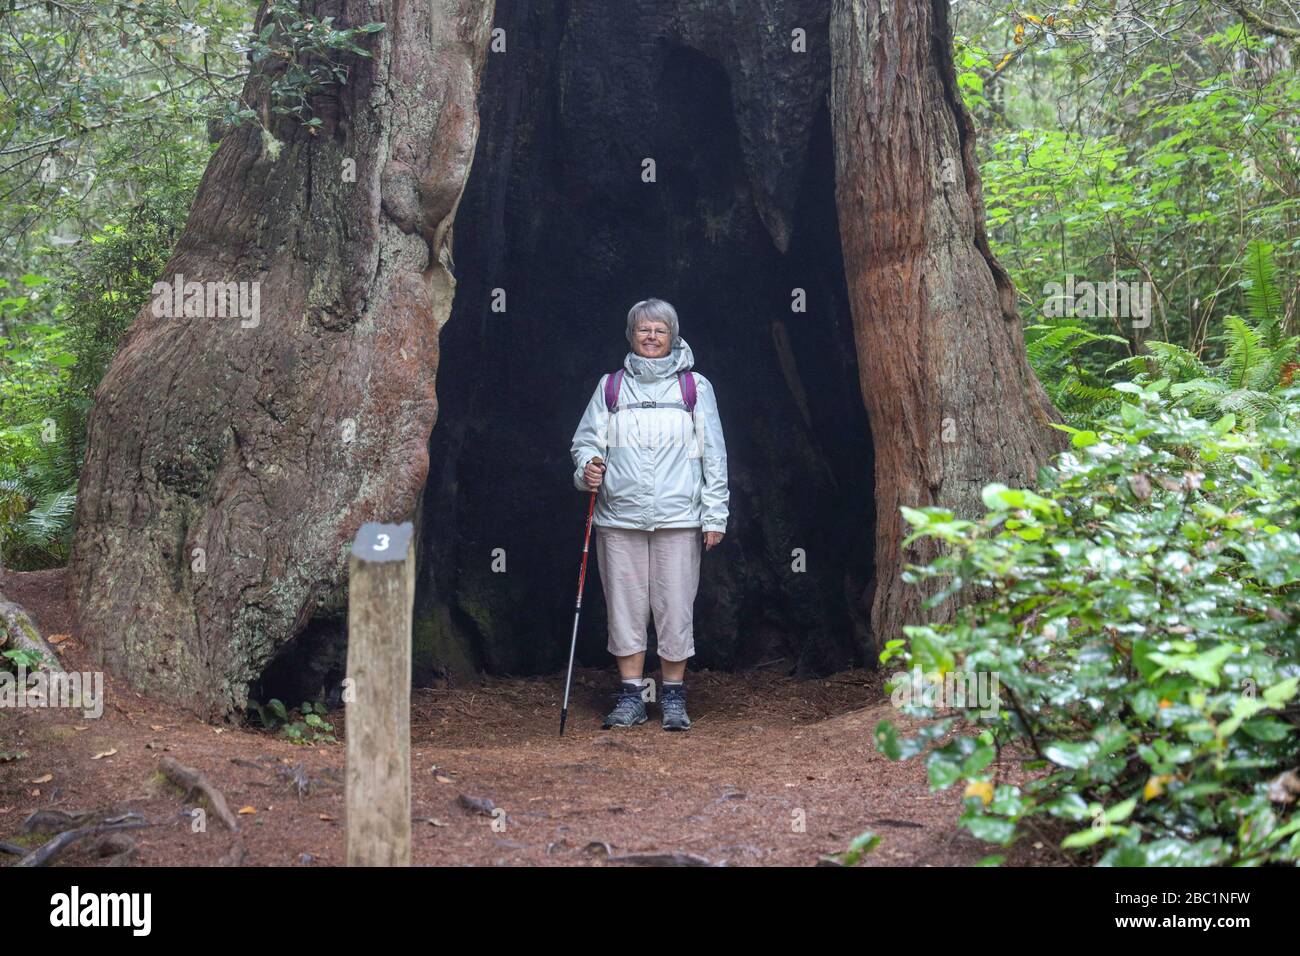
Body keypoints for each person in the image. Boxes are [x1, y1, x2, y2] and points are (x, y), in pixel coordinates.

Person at [570, 298, 729, 730]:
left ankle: (673, 698)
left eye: (660, 330)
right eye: (644, 330)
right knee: (625, 607)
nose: (652, 337)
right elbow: (584, 443)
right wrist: (587, 468)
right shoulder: (612, 387)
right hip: (618, 518)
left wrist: (715, 515)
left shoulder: (694, 388)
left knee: (674, 605)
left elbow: (714, 456)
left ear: (673, 336)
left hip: (679, 517)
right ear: (631, 335)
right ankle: (631, 697)